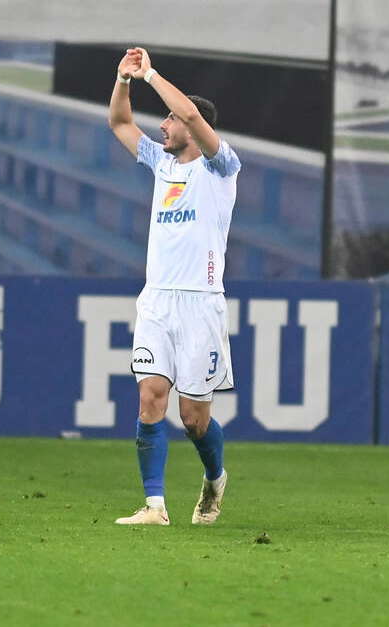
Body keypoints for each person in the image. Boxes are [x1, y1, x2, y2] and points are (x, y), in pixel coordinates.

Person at [108, 47, 240, 525]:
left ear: (193, 127)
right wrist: (124, 80)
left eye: (168, 120)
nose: (162, 126)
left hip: (201, 304)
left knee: (193, 419)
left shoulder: (221, 168)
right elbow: (121, 125)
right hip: (157, 300)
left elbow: (185, 109)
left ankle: (214, 479)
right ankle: (154, 505)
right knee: (150, 398)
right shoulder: (162, 164)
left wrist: (152, 74)